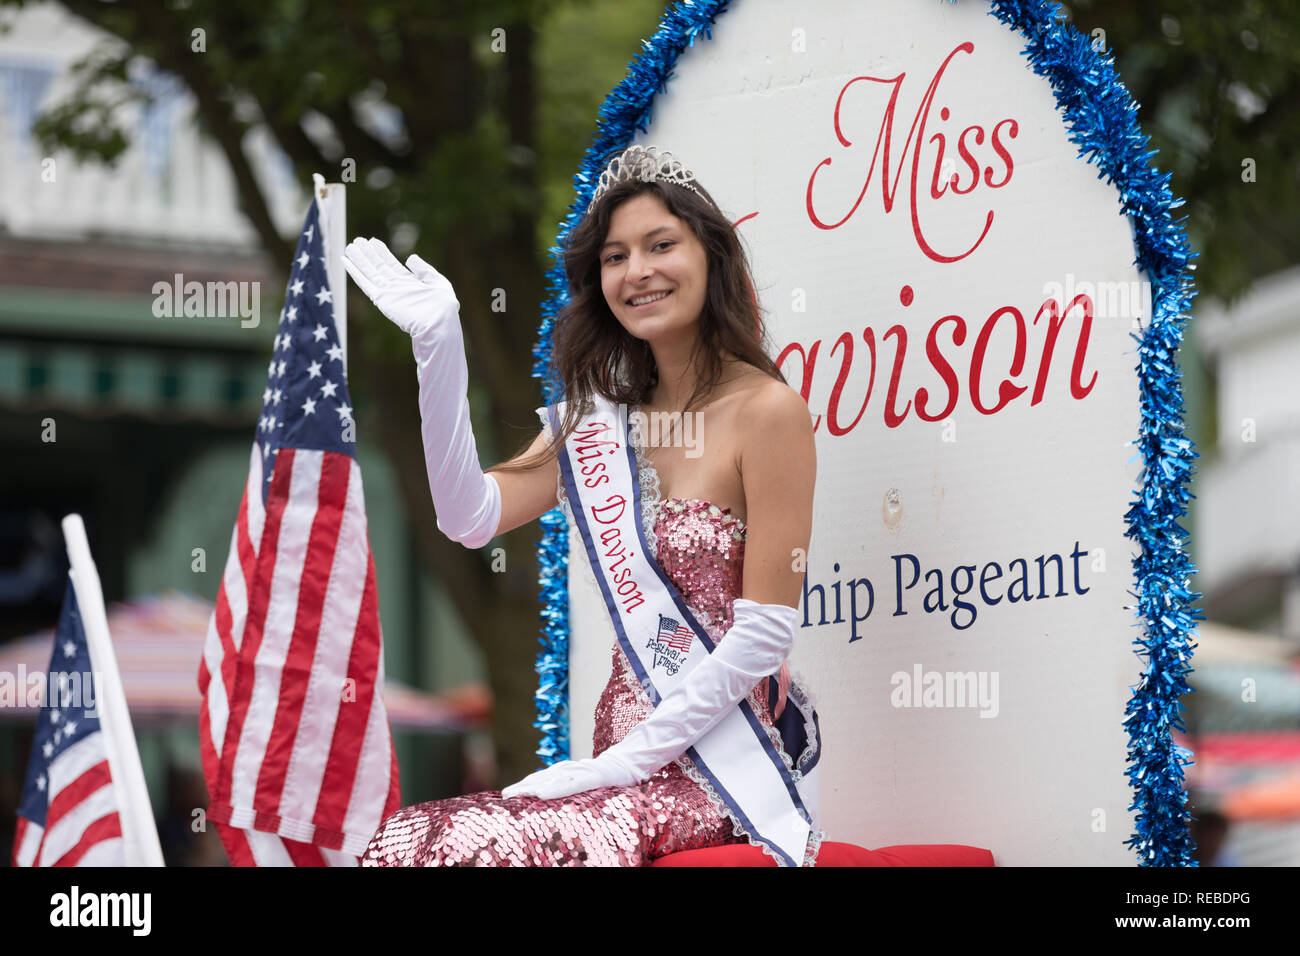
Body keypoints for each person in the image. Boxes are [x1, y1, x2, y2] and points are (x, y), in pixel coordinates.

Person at [343, 144, 822, 866]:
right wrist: (439, 348)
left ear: (711, 257)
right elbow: (467, 516)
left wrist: (623, 765)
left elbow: (763, 636)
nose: (638, 272)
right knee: (408, 838)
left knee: (468, 846)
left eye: (661, 245)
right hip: (608, 771)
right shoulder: (599, 425)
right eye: (615, 257)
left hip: (718, 773)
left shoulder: (768, 410)